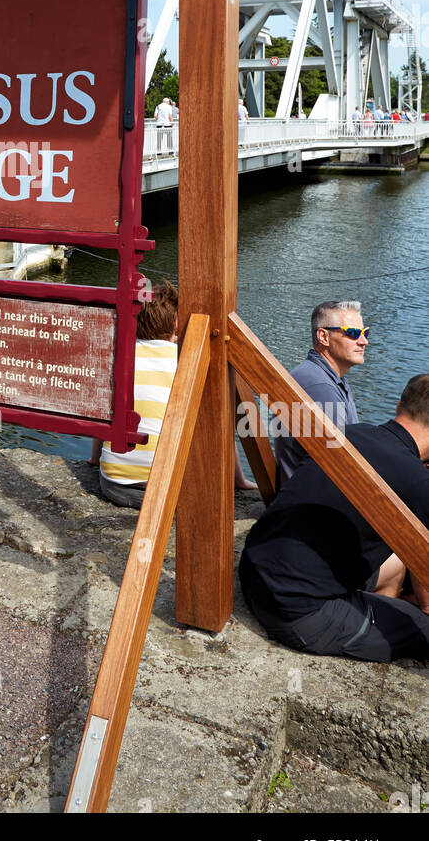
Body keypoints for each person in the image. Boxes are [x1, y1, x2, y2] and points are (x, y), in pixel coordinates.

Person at [239, 374, 429, 663]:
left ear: (399, 406)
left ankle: (376, 616)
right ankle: (374, 625)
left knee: (394, 568)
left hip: (255, 573)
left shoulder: (348, 434)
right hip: (298, 613)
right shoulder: (418, 481)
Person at [92, 281, 255, 508]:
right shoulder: (185, 360)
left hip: (113, 484)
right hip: (169, 490)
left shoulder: (117, 356)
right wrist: (238, 480)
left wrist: (94, 461)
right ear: (176, 323)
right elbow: (220, 424)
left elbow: (103, 419)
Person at [272, 300, 366, 486]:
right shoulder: (319, 386)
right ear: (323, 336)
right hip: (312, 506)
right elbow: (340, 463)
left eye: (365, 332)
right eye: (353, 333)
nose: (364, 341)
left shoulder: (323, 375)